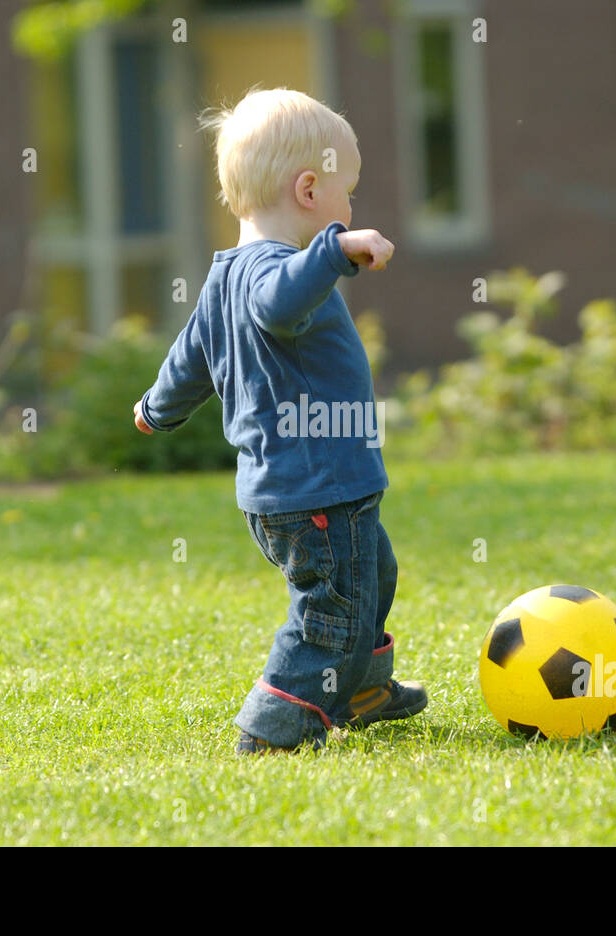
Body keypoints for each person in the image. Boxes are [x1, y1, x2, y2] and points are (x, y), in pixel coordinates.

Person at [133, 87, 427, 753]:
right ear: (307, 190)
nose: (350, 208)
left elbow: (189, 360)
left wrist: (157, 408)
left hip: (297, 494)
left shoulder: (222, 277)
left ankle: (360, 687)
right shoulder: (277, 275)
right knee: (331, 613)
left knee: (371, 577)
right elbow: (277, 304)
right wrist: (334, 249)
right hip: (318, 488)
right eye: (345, 192)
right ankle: (274, 730)